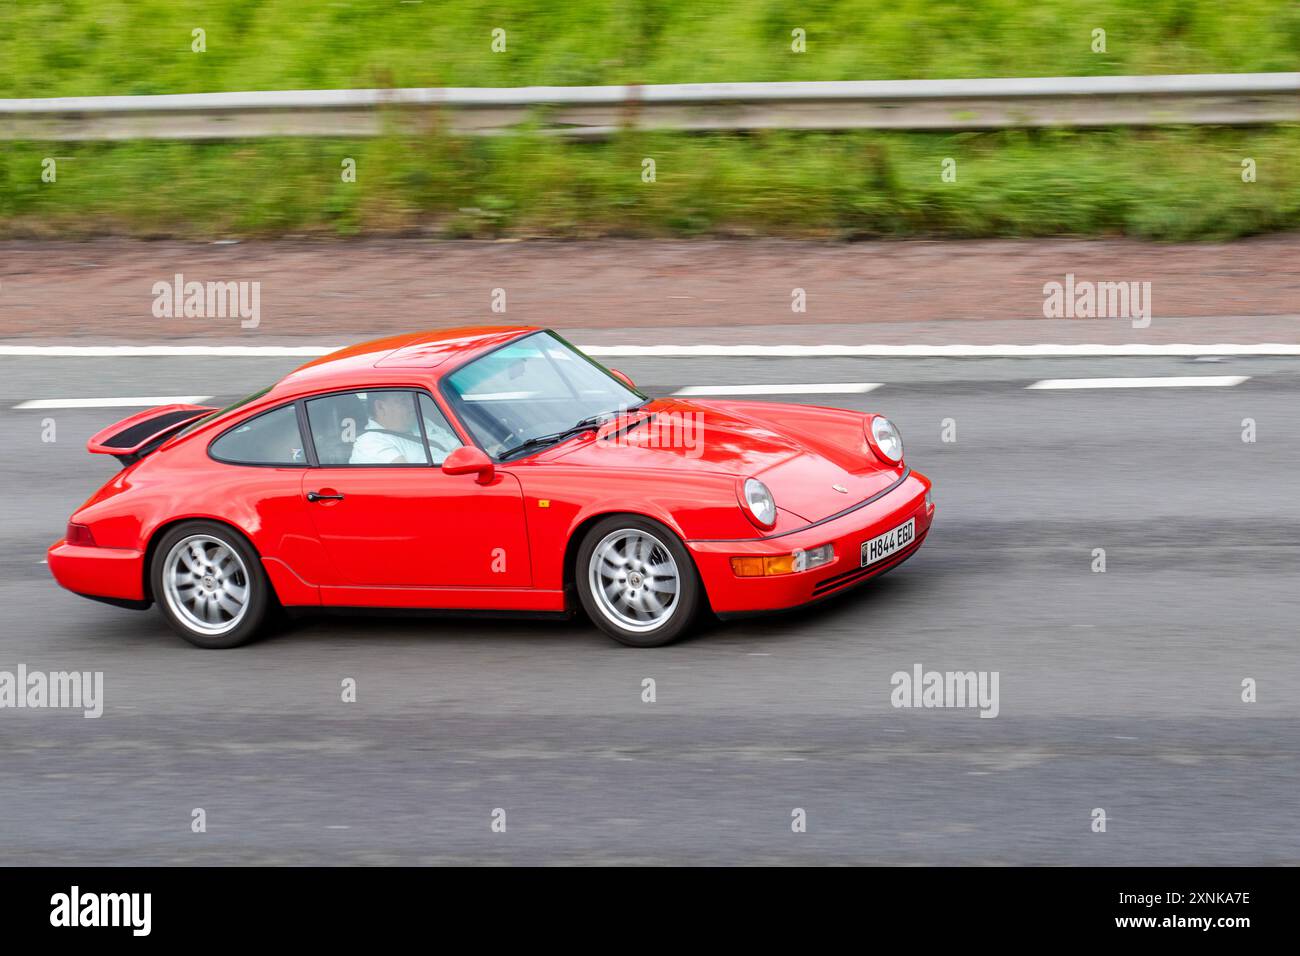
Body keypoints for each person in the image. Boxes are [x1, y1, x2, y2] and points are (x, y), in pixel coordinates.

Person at [349, 392, 461, 465]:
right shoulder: (371, 443)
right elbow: (409, 481)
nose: (413, 404)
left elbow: (461, 450)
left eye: (411, 398)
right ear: (380, 407)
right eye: (403, 400)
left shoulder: (420, 422)